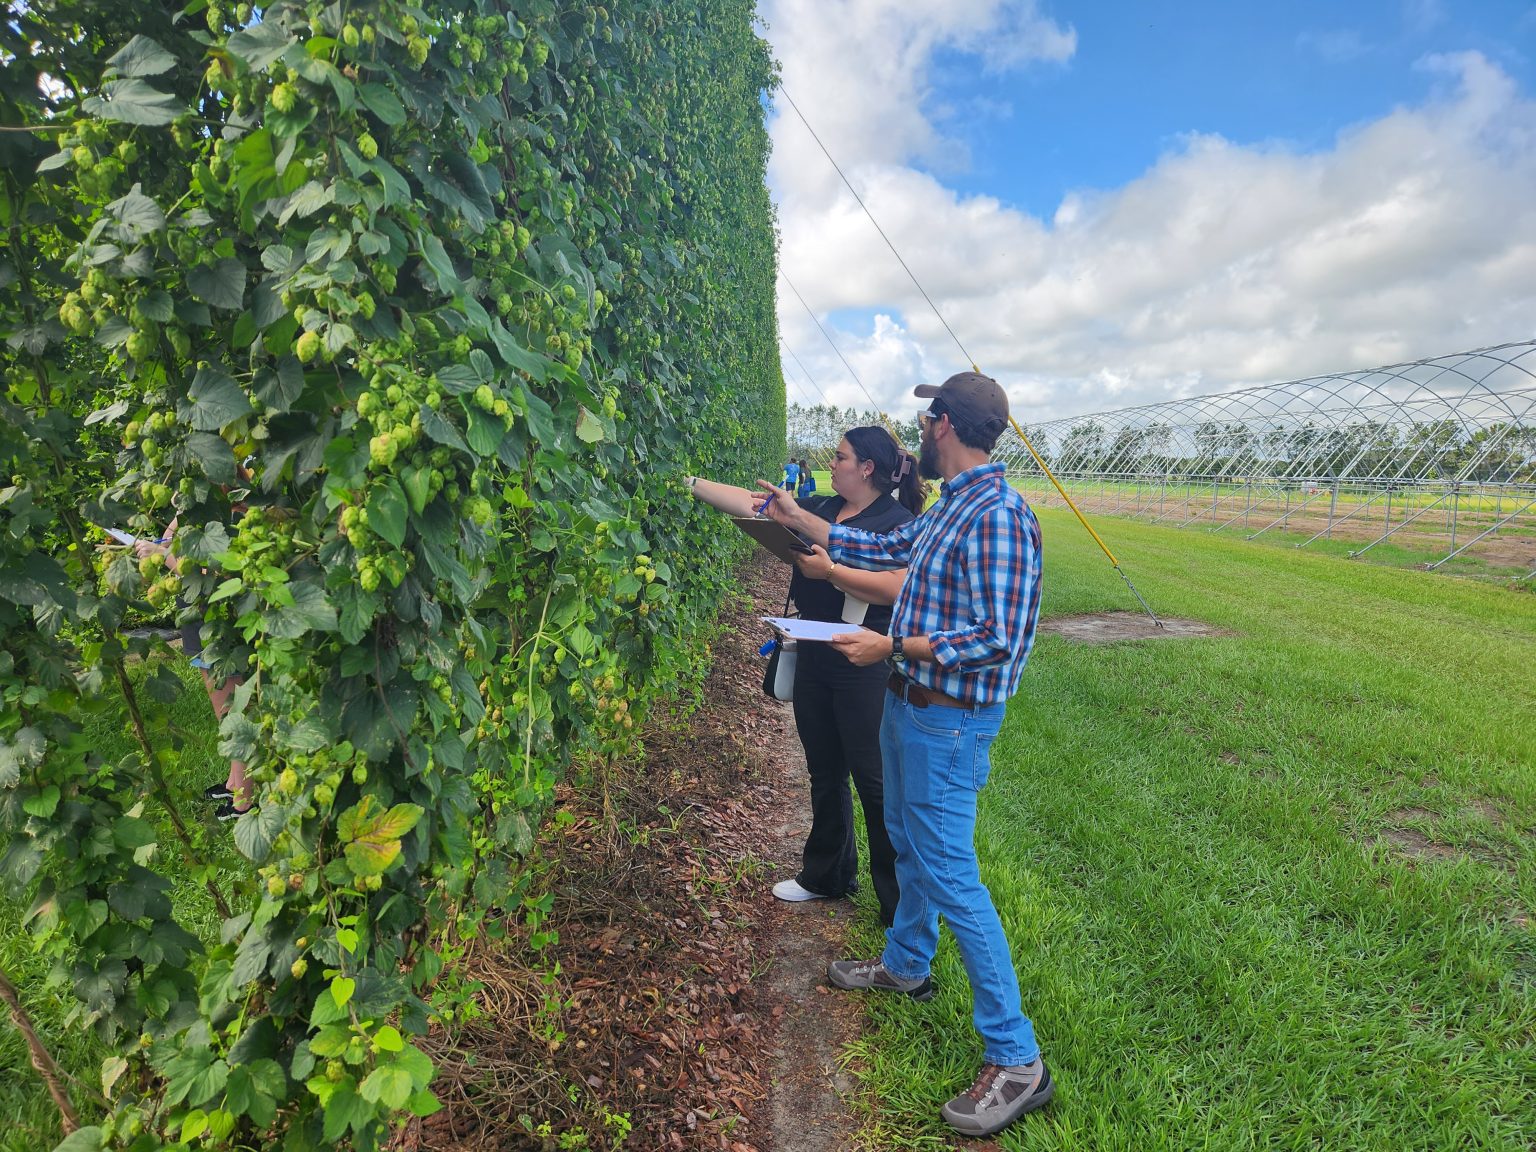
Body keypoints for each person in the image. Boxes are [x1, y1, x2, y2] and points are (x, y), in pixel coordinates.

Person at [756, 372, 1051, 1138]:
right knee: (912, 845)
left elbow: (998, 640)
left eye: (928, 416)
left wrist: (895, 644)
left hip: (950, 723)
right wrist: (799, 518)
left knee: (951, 869)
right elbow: (882, 543)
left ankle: (1017, 1057)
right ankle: (907, 963)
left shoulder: (999, 516)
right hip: (910, 705)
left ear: (944, 423)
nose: (922, 426)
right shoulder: (953, 505)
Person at [687, 427, 925, 925]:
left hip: (863, 661)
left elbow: (897, 591)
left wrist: (832, 571)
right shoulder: (820, 509)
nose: (831, 464)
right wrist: (688, 482)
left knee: (873, 780)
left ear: (866, 468)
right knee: (824, 770)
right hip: (813, 651)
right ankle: (828, 875)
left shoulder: (897, 523)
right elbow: (754, 505)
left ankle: (897, 907)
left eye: (840, 457)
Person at [136, 520, 250, 821]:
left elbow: (216, 578)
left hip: (218, 623)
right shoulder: (196, 505)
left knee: (234, 711)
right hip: (198, 621)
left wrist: (164, 557)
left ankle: (246, 798)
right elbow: (170, 537)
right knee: (222, 712)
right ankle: (234, 781)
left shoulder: (234, 516)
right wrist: (171, 530)